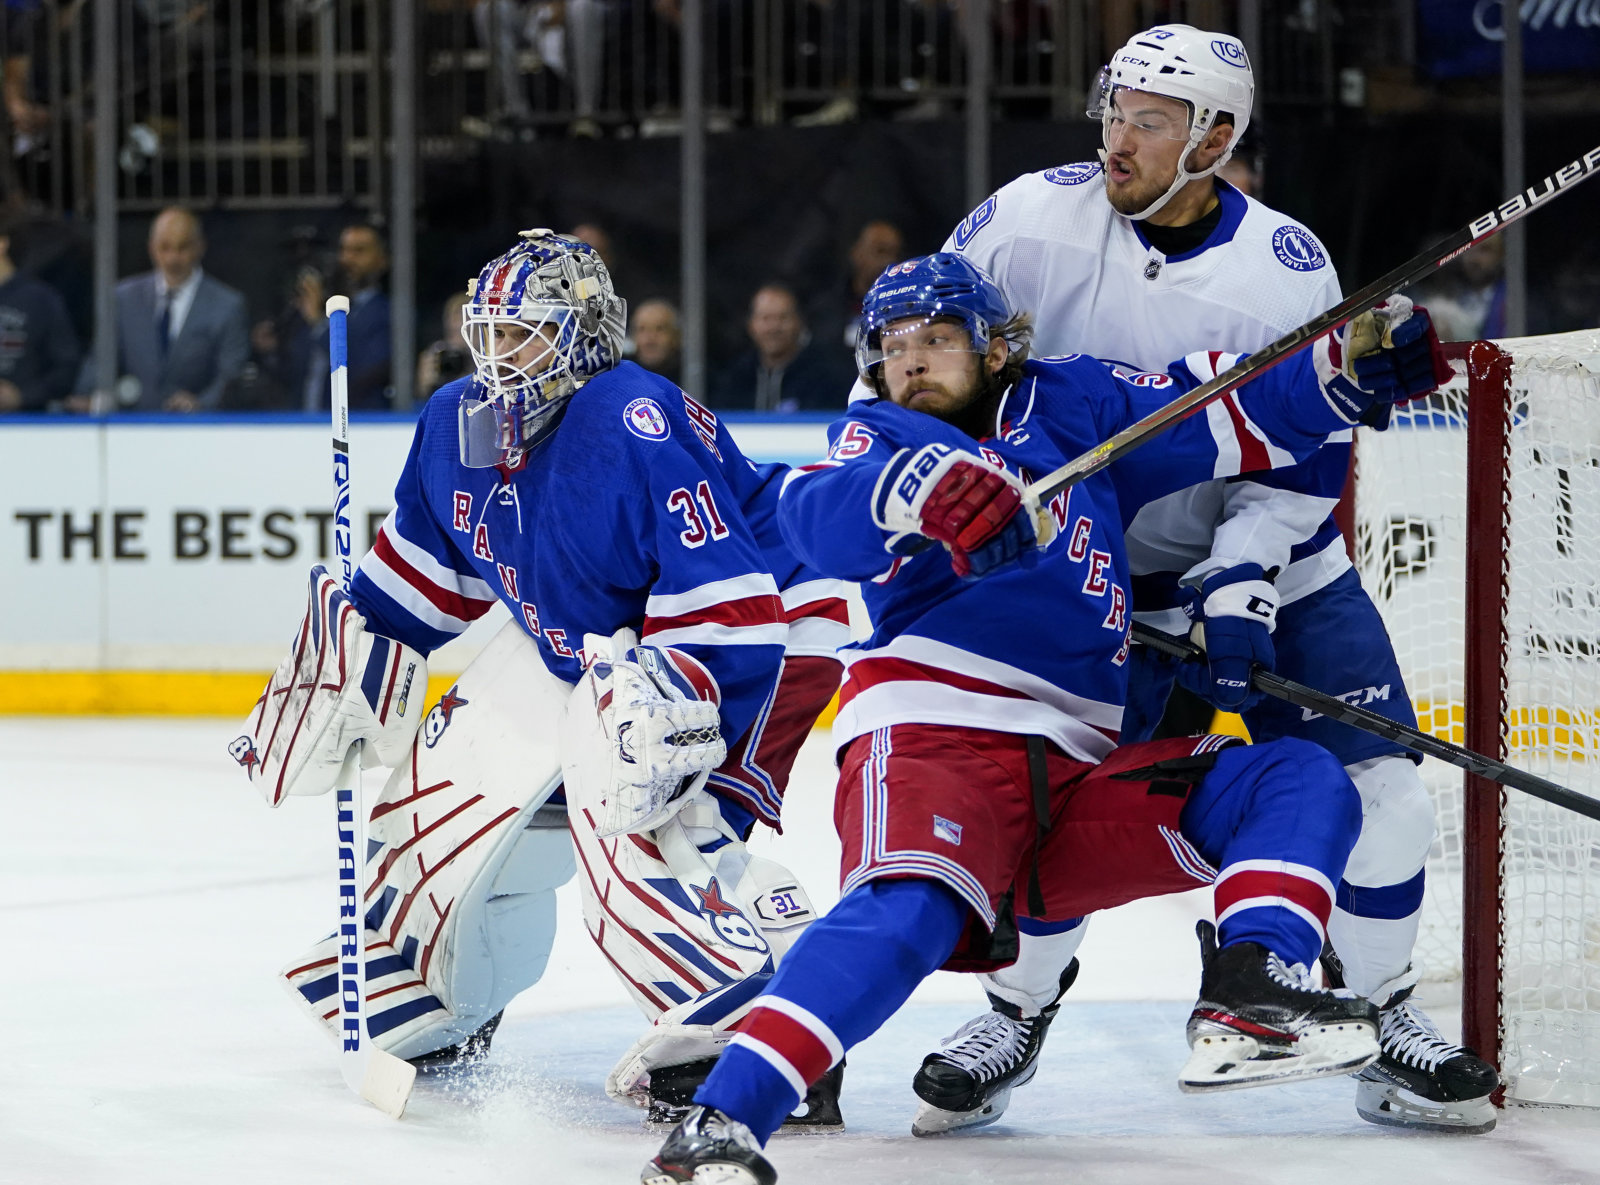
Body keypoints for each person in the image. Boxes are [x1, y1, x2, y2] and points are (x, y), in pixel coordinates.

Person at [645, 253, 1449, 1184]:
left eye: (939, 339)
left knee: (1296, 775)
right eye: (894, 346)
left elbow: (1229, 408)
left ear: (995, 348)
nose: (913, 360)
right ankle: (722, 1121)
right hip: (940, 730)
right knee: (911, 907)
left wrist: (1342, 365)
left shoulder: (1075, 400)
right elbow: (818, 514)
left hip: (1075, 769)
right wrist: (923, 495)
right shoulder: (883, 434)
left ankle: (1248, 995)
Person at [928, 23, 1497, 1135]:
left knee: (1386, 800)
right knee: (1052, 808)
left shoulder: (1280, 271)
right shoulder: (1026, 220)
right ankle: (1017, 1010)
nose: (1116, 140)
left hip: (1281, 574)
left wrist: (1239, 576)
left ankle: (1379, 1014)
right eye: (1112, 110)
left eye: (1150, 119)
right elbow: (938, 355)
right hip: (1084, 585)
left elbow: (1302, 457)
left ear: (1216, 137)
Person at [231, 230, 850, 1126]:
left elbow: (731, 603)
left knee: (644, 800)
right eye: (486, 333)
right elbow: (420, 583)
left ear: (588, 336)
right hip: (596, 638)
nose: (496, 357)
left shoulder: (629, 418)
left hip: (765, 620)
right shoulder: (455, 423)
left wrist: (668, 727)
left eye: (523, 334)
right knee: (444, 778)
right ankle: (440, 982)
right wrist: (351, 657)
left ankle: (759, 1030)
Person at [74, 206, 248, 413]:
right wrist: (87, 395)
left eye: (182, 248)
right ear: (151, 248)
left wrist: (201, 403)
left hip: (198, 431)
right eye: (164, 248)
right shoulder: (123, 299)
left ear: (200, 247)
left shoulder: (227, 305)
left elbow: (231, 375)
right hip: (132, 428)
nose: (172, 258)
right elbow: (101, 360)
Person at [256, 222, 392, 410]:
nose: (347, 259)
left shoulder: (387, 314)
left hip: (359, 425)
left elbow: (361, 372)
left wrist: (317, 323)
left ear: (383, 259)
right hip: (302, 426)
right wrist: (269, 350)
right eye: (344, 250)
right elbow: (290, 374)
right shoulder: (316, 307)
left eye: (359, 251)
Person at [711, 283, 854, 413]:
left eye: (783, 318)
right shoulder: (736, 377)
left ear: (800, 322)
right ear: (751, 325)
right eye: (765, 318)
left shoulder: (826, 377)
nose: (774, 328)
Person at [0, 215, 80, 412]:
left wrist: (23, 396)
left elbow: (67, 366)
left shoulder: (40, 299)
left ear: (2, 244)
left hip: (31, 427)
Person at [805, 219, 905, 366]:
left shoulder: (908, 308)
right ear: (856, 252)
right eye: (879, 251)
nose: (888, 262)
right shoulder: (825, 310)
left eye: (894, 254)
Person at [414, 289, 472, 399]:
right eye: (453, 332)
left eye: (464, 317)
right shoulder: (437, 354)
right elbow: (420, 399)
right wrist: (424, 383)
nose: (457, 323)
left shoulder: (490, 358)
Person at [630, 297, 683, 383]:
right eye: (642, 329)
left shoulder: (694, 379)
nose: (650, 338)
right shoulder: (621, 376)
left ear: (676, 336)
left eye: (659, 329)